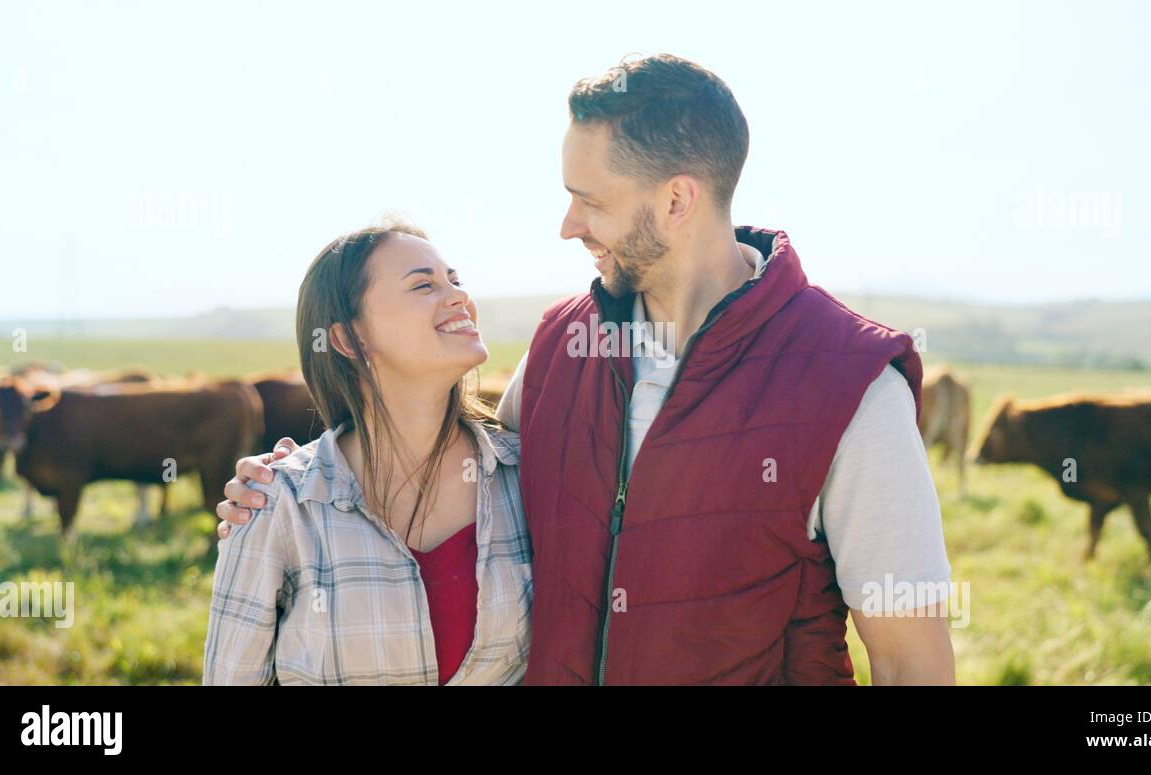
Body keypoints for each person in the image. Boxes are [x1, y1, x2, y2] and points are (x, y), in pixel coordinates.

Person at [219, 53, 955, 685]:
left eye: (588, 201)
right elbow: (453, 467)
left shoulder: (852, 384)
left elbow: (911, 663)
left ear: (676, 200)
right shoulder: (559, 346)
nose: (567, 226)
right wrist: (293, 482)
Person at [204, 219, 531, 685]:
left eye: (454, 280)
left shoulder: (526, 479)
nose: (459, 296)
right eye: (424, 285)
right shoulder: (277, 504)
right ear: (348, 339)